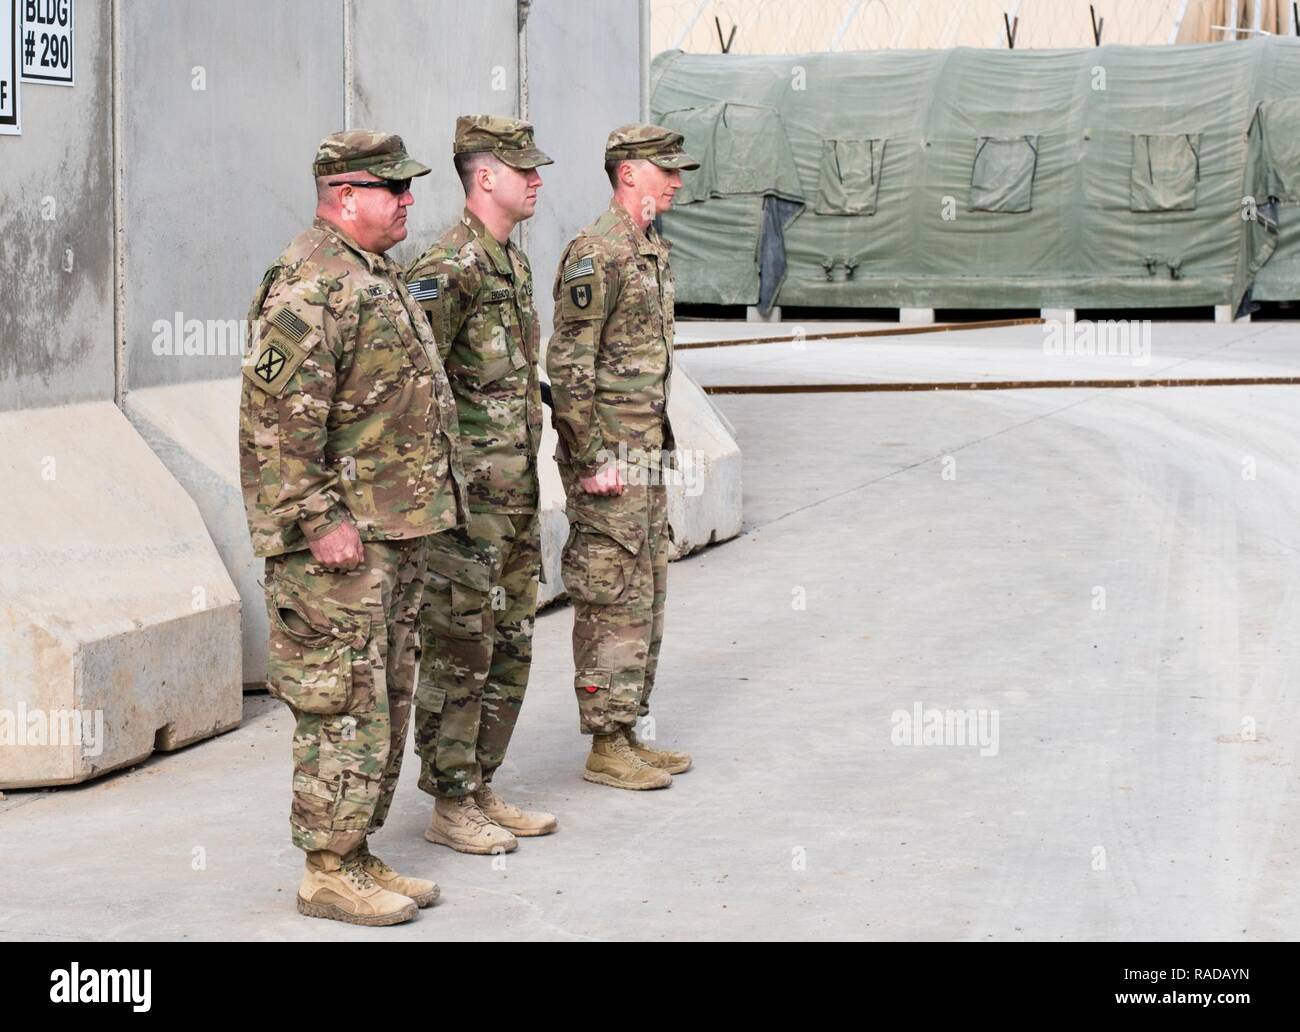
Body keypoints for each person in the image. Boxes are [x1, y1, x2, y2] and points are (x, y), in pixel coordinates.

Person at [239, 130, 467, 925]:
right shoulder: (309, 286)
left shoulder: (374, 274)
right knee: (342, 702)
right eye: (393, 189)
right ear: (344, 197)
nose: (409, 201)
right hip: (337, 548)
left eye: (409, 188)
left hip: (390, 535)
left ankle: (357, 850)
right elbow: (274, 423)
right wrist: (317, 519)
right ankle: (326, 868)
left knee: (382, 699)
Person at [406, 115, 557, 853]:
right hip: (467, 510)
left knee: (510, 641)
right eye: (522, 168)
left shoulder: (512, 265)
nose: (536, 179)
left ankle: (481, 780)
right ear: (484, 176)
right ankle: (448, 799)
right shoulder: (447, 268)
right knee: (460, 649)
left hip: (516, 500)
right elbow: (410, 384)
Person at [546, 124, 700, 790]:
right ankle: (604, 739)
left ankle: (629, 725)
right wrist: (590, 457)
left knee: (645, 593)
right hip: (609, 461)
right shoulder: (596, 253)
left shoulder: (650, 248)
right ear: (629, 172)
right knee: (608, 594)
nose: (677, 181)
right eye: (666, 169)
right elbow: (569, 363)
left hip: (644, 455)